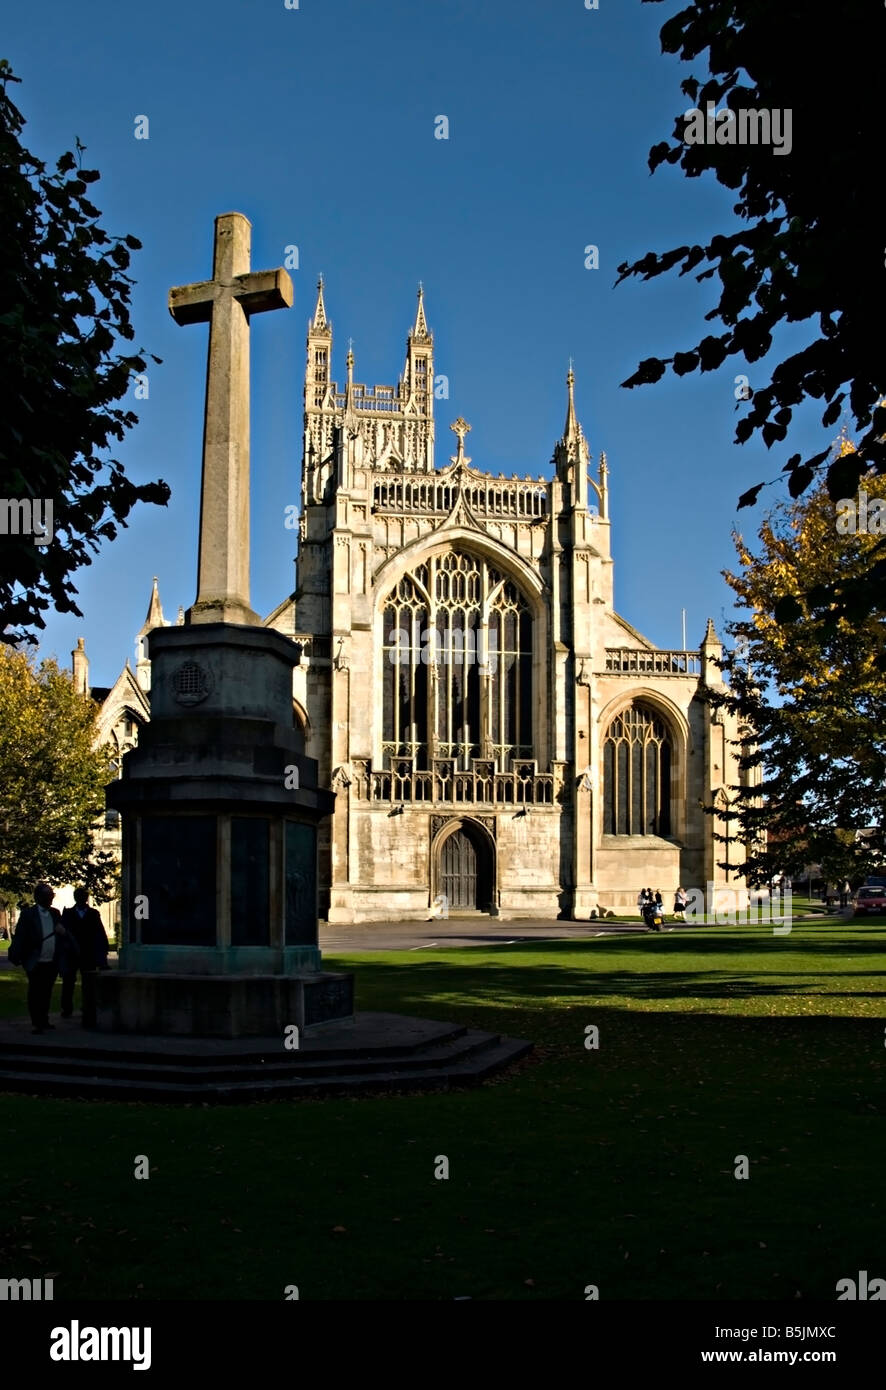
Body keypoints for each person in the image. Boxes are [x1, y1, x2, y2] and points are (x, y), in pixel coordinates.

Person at [8, 883, 73, 1033]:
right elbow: (20, 937)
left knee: (47, 991)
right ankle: (37, 1022)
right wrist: (18, 955)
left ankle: (44, 1019)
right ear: (38, 897)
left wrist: (63, 932)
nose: (51, 898)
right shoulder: (28, 914)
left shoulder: (55, 913)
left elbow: (63, 935)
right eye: (48, 895)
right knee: (36, 992)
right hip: (35, 960)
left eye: (52, 895)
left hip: (51, 960)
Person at [60, 888, 109, 1025]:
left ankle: (87, 1006)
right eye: (79, 896)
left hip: (88, 953)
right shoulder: (68, 913)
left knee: (88, 982)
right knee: (68, 981)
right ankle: (67, 1008)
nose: (81, 899)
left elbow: (100, 933)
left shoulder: (93, 914)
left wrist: (102, 953)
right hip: (71, 953)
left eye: (83, 896)